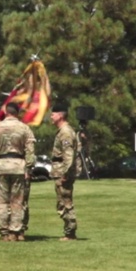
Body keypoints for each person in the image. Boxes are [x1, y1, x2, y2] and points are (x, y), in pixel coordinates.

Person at [0, 103, 35, 242]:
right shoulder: (24, 128)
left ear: (6, 112)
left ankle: (4, 232)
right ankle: (16, 231)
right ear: (17, 113)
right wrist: (29, 168)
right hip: (19, 167)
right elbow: (30, 151)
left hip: (1, 167)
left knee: (2, 202)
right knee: (17, 201)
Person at [49, 103, 80, 241]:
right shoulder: (64, 131)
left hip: (63, 173)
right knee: (63, 202)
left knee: (65, 202)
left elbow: (68, 155)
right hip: (61, 171)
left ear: (60, 115)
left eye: (53, 114)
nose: (51, 116)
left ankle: (70, 232)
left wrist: (65, 174)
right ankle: (69, 231)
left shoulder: (65, 132)